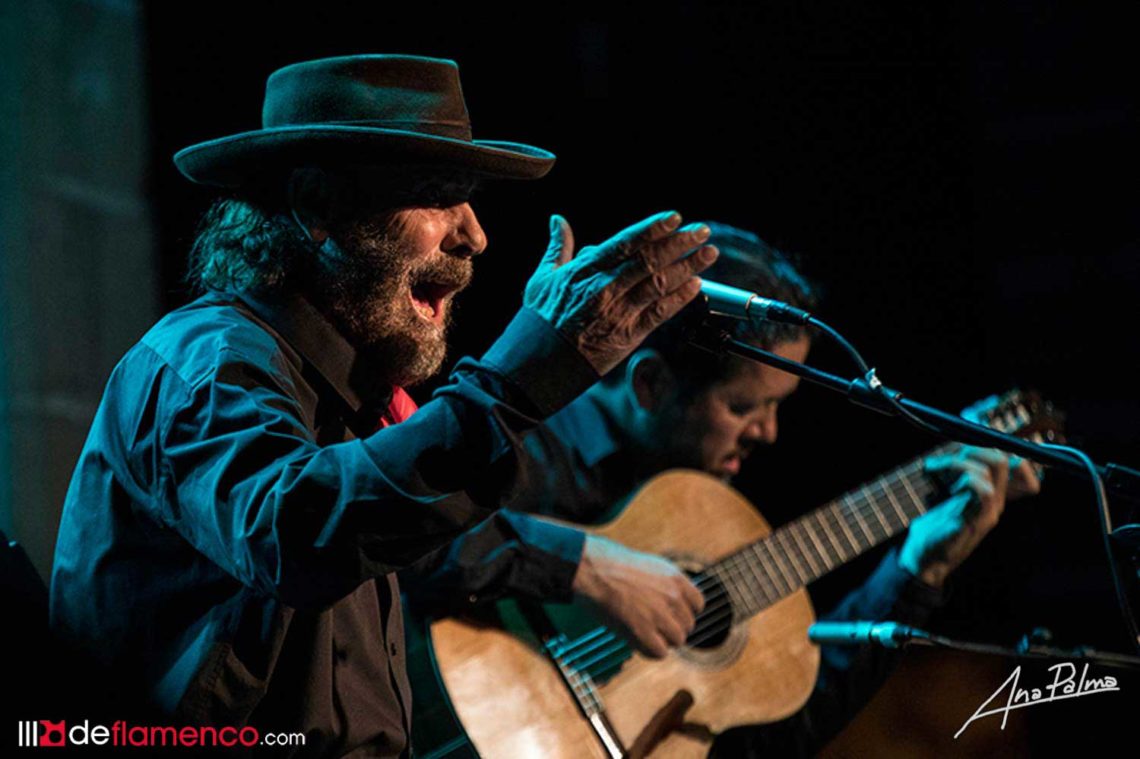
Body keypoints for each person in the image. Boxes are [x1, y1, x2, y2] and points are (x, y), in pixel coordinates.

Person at [48, 54, 718, 757]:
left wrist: (581, 561)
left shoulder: (351, 390)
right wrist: (516, 384)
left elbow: (414, 532)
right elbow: (296, 531)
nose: (475, 234)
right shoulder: (207, 362)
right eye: (437, 194)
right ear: (317, 206)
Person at [401, 222, 1040, 756]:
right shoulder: (518, 449)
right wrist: (589, 571)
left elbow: (782, 733)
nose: (768, 434)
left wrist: (918, 569)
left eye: (777, 407)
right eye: (743, 408)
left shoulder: (704, 515)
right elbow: (409, 542)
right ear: (650, 385)